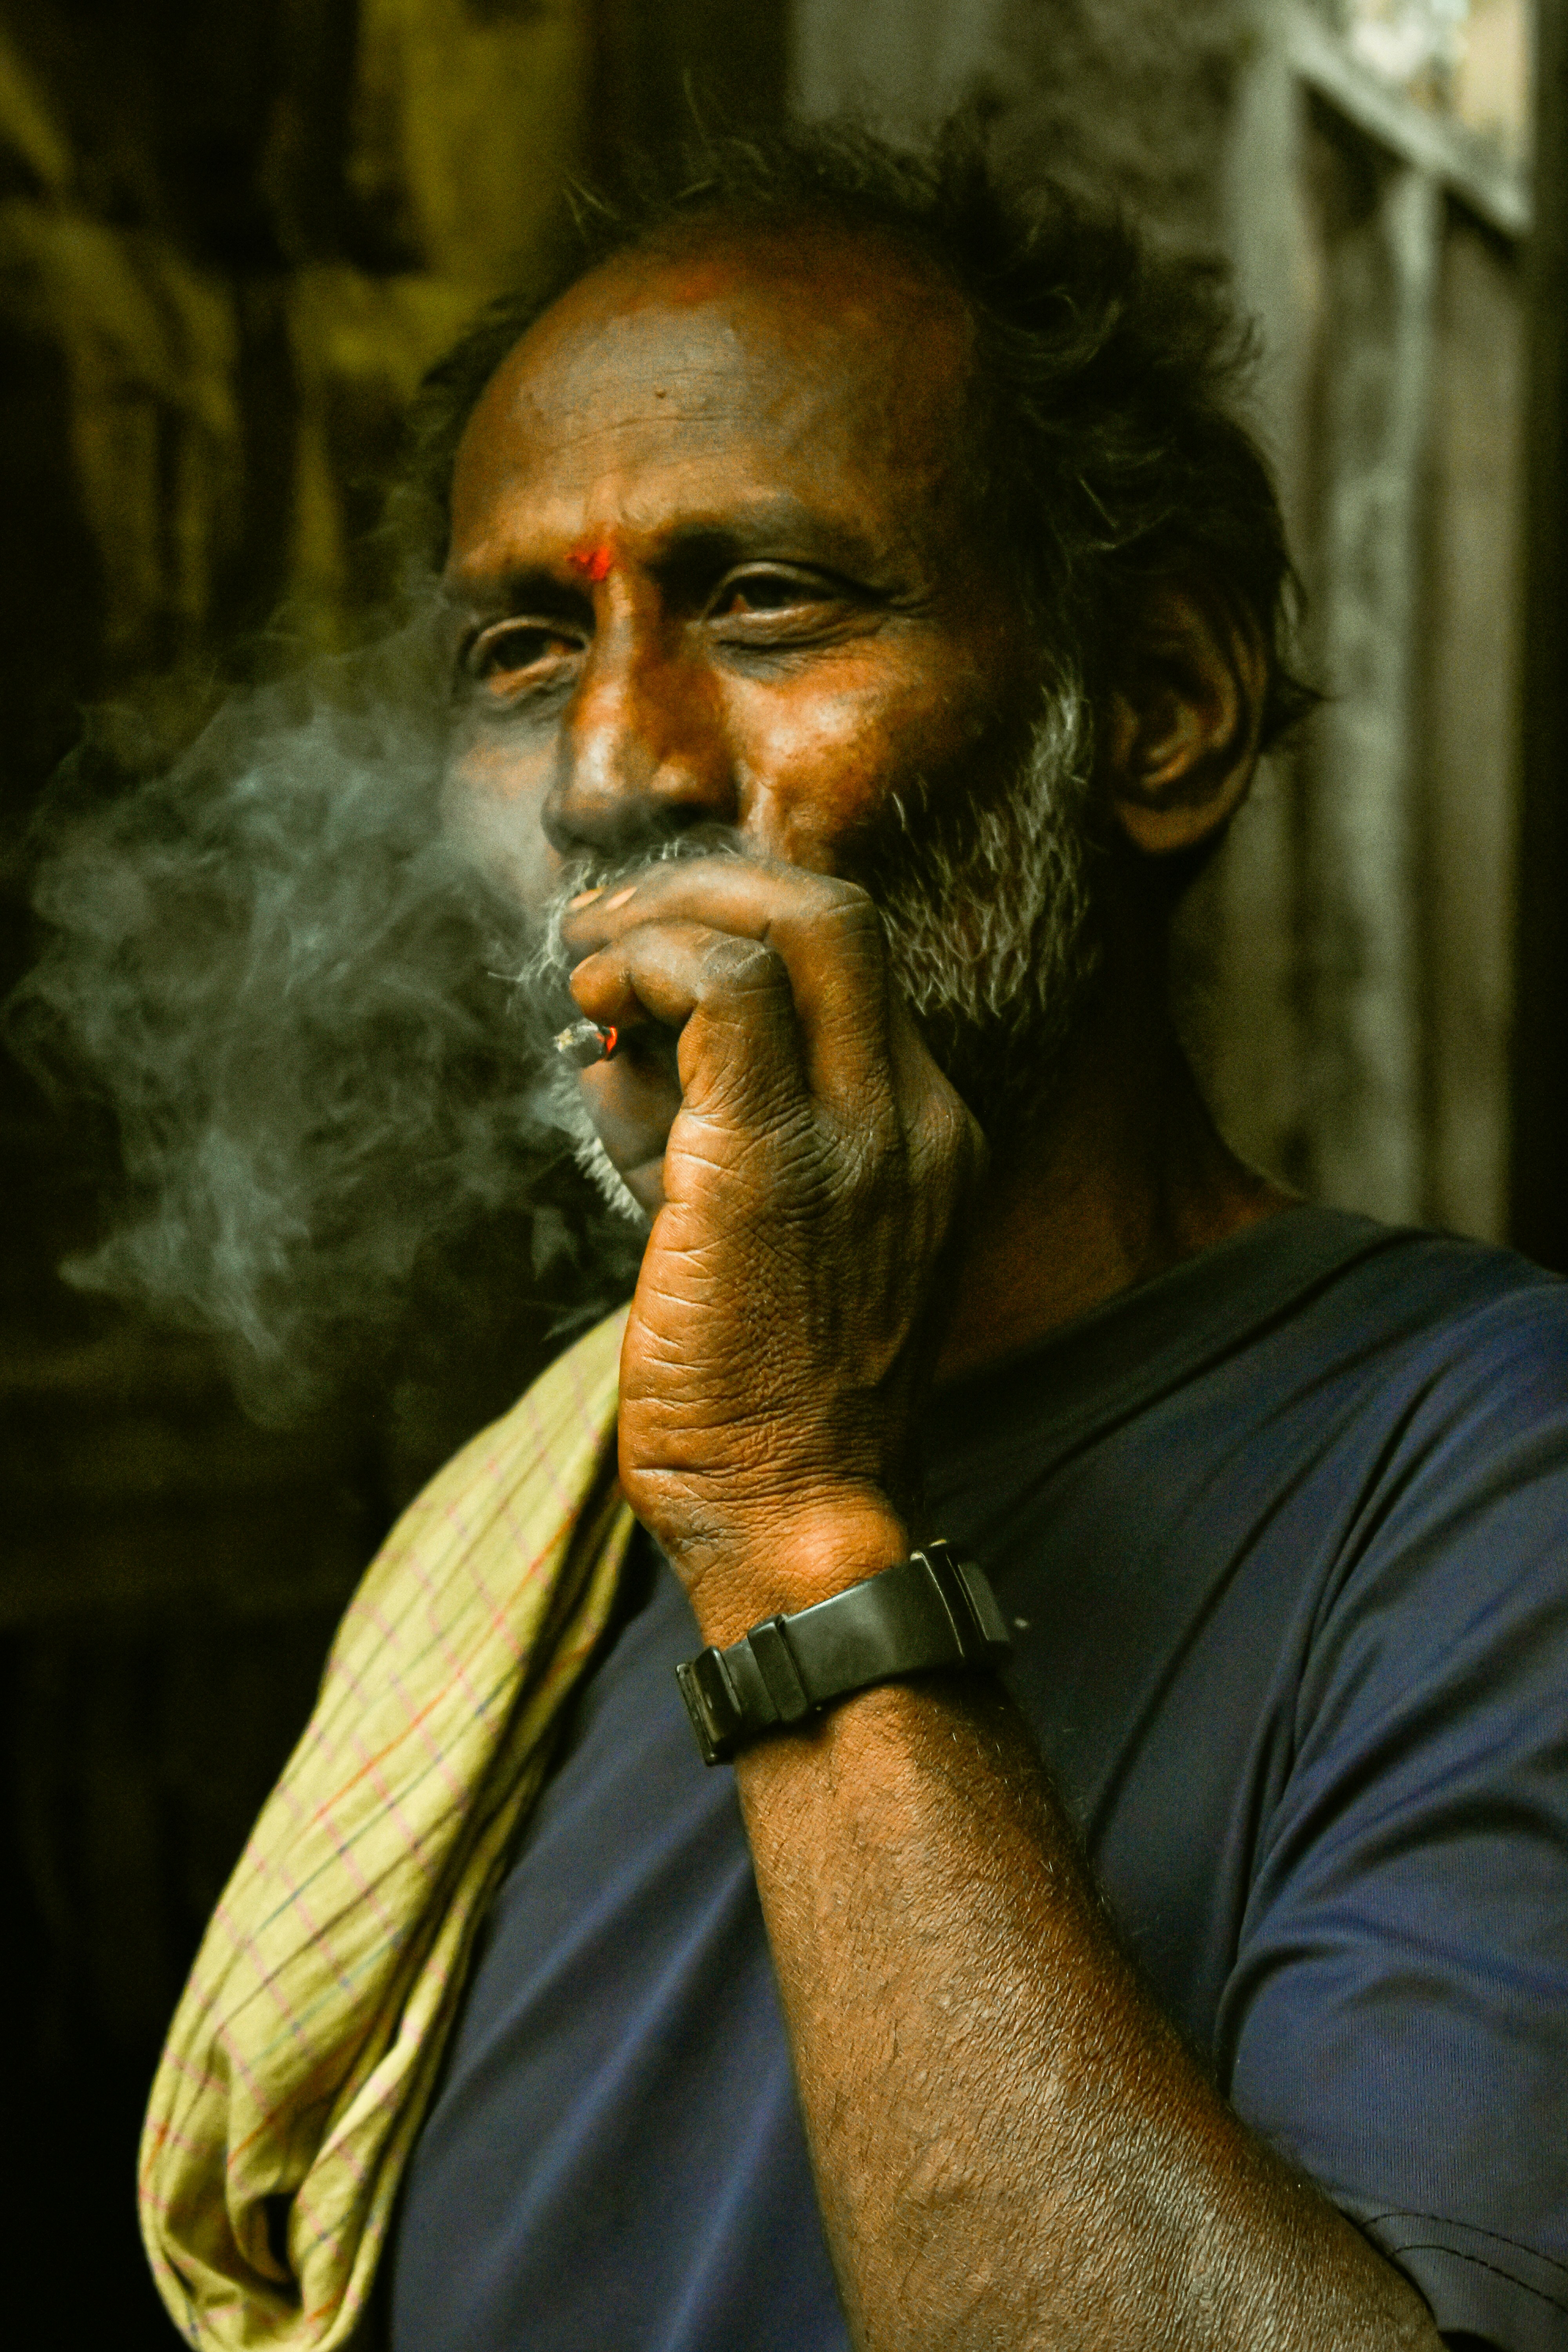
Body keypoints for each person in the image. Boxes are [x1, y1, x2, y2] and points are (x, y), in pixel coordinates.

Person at [136, 125, 1566, 2352]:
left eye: (767, 602)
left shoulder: (1491, 1479)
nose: (612, 766)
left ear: (1163, 716)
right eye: (526, 648)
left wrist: (794, 1525)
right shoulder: (522, 1531)